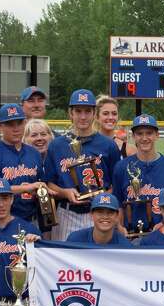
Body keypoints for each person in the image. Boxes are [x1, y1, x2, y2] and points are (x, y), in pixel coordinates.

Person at [47, 89, 122, 240]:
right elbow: (49, 183)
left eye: (87, 111)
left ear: (94, 114)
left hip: (99, 213)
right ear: (70, 113)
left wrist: (105, 196)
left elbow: (116, 183)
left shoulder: (108, 145)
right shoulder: (57, 145)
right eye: (78, 111)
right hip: (67, 213)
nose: (83, 116)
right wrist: (65, 192)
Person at [0, 103, 46, 227]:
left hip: (31, 220)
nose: (16, 128)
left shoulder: (34, 153)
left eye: (19, 123)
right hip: (0, 223)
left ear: (25, 123)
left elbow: (40, 184)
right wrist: (24, 188)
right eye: (10, 124)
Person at [112, 114, 164, 237]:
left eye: (149, 133)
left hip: (162, 234)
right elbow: (118, 203)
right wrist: (120, 227)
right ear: (133, 136)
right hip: (130, 236)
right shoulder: (121, 167)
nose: (144, 138)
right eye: (139, 133)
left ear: (157, 135)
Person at [65, 193, 134, 247]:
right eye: (100, 212)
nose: (105, 216)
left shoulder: (125, 246)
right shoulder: (75, 240)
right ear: (91, 214)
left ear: (117, 216)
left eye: (110, 212)